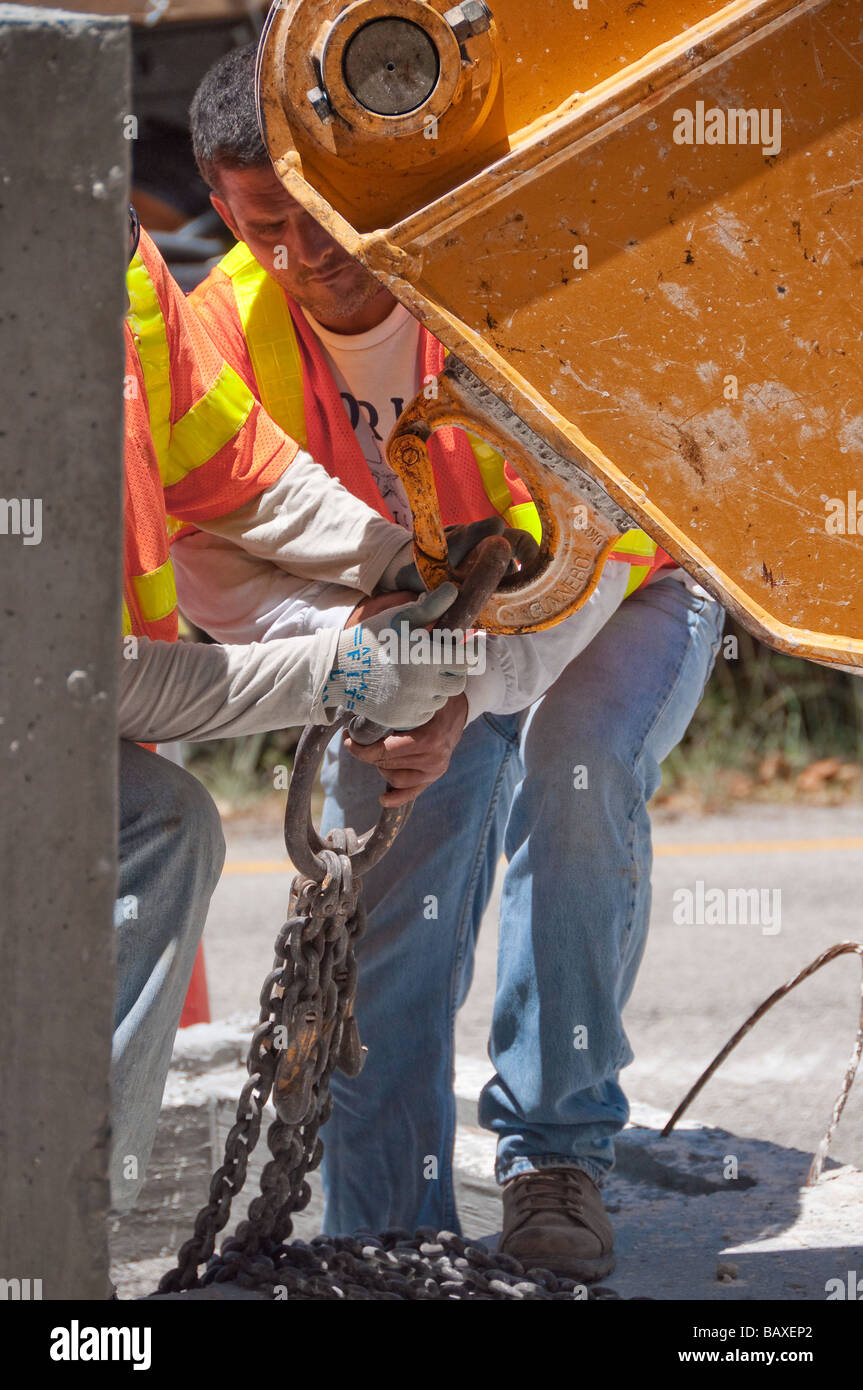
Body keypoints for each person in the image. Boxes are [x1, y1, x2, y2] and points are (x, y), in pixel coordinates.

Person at [179, 44, 726, 1280]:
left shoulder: (502, 273)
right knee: (383, 828)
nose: (305, 258)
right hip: (406, 639)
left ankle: (554, 1155)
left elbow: (601, 525)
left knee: (574, 767)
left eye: (322, 220)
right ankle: (392, 1219)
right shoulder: (217, 336)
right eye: (267, 230)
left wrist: (463, 690)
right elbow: (219, 563)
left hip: (625, 585)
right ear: (223, 207)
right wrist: (364, 686)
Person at [112, 210, 471, 1212]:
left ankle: (65, 1230)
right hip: (58, 710)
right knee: (155, 826)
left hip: (72, 731)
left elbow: (246, 478)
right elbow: (70, 682)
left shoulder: (122, 264)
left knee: (157, 821)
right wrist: (345, 670)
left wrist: (394, 562)